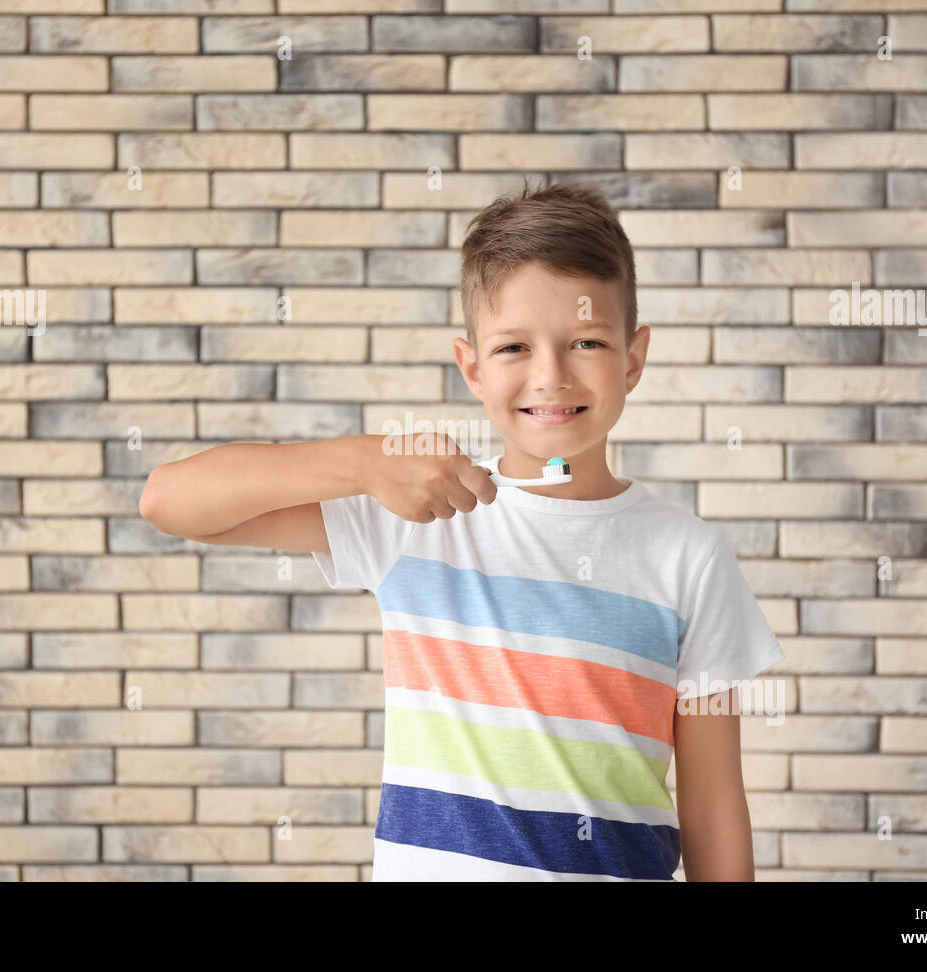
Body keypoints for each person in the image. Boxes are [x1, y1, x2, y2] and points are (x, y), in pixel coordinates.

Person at [139, 180, 785, 881]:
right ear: (471, 367)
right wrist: (364, 460)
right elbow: (169, 500)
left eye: (587, 341)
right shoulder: (414, 510)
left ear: (633, 358)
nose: (551, 376)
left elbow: (714, 802)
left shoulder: (690, 557)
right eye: (513, 348)